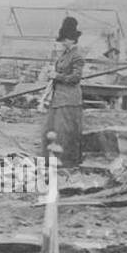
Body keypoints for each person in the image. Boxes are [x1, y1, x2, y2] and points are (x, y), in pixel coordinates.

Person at [41, 16, 85, 167]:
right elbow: (60, 70)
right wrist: (51, 72)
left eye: (65, 39)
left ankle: (67, 163)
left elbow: (76, 77)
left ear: (72, 40)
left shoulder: (77, 56)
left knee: (65, 133)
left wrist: (57, 75)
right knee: (49, 130)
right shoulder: (64, 54)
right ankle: (50, 162)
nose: (62, 42)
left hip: (69, 99)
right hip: (57, 98)